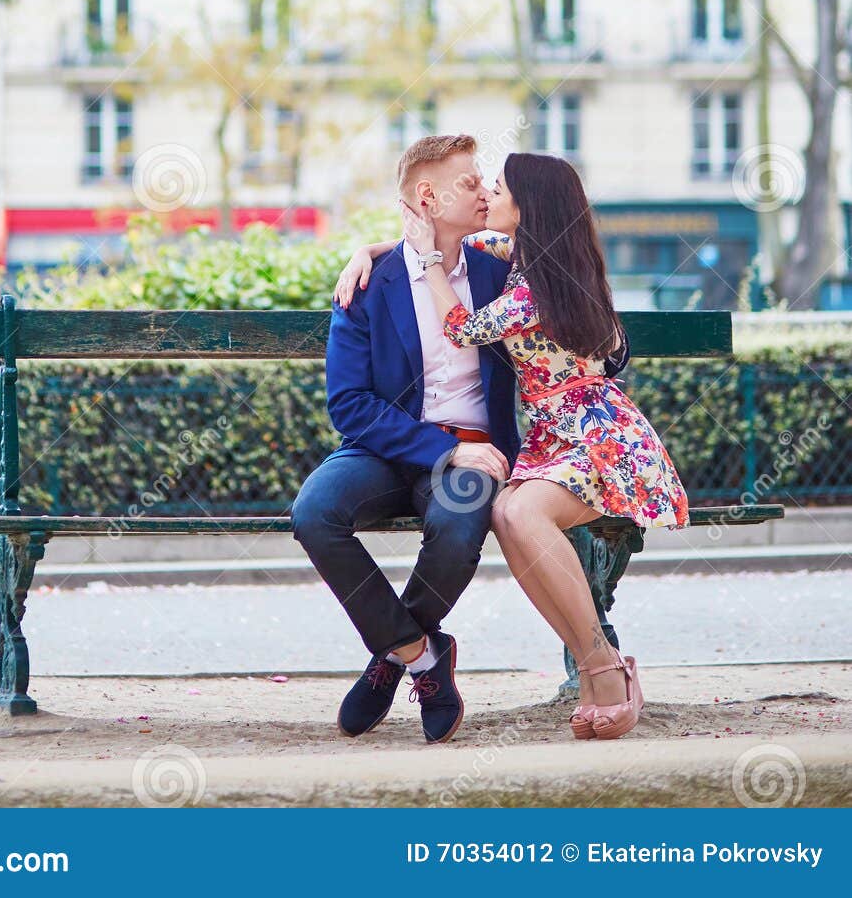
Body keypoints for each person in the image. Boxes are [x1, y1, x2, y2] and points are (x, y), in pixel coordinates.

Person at [338, 151, 689, 743]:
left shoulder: (533, 288)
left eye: (496, 189)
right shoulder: (532, 260)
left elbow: (459, 328)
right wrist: (372, 251)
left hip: (596, 439)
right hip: (559, 435)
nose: (485, 198)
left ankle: (601, 669)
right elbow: (450, 251)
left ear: (526, 209)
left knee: (518, 511)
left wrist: (421, 257)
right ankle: (596, 662)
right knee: (505, 511)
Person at [291, 134, 520, 744]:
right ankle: (423, 656)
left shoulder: (503, 269)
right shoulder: (369, 283)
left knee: (462, 513)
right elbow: (349, 405)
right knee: (314, 512)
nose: (483, 190)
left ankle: (390, 655)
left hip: (480, 452)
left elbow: (570, 248)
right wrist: (443, 450)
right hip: (387, 449)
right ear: (428, 194)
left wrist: (465, 454)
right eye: (470, 182)